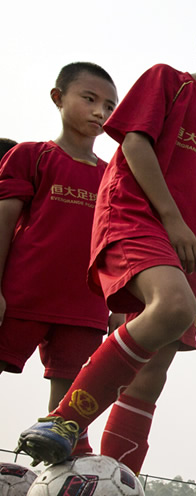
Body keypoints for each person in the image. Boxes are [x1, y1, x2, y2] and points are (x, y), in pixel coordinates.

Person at [14, 0, 196, 496]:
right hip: (137, 221)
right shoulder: (170, 83)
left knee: (151, 376)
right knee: (170, 307)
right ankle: (66, 417)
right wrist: (174, 219)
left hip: (188, 261)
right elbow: (133, 143)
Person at [0, 63, 117, 455]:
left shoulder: (114, 177)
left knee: (68, 412)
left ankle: (58, 492)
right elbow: (4, 221)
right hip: (22, 296)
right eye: (89, 99)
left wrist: (119, 305)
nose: (100, 112)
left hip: (84, 306)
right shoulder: (30, 156)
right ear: (58, 98)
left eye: (109, 106)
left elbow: (115, 242)